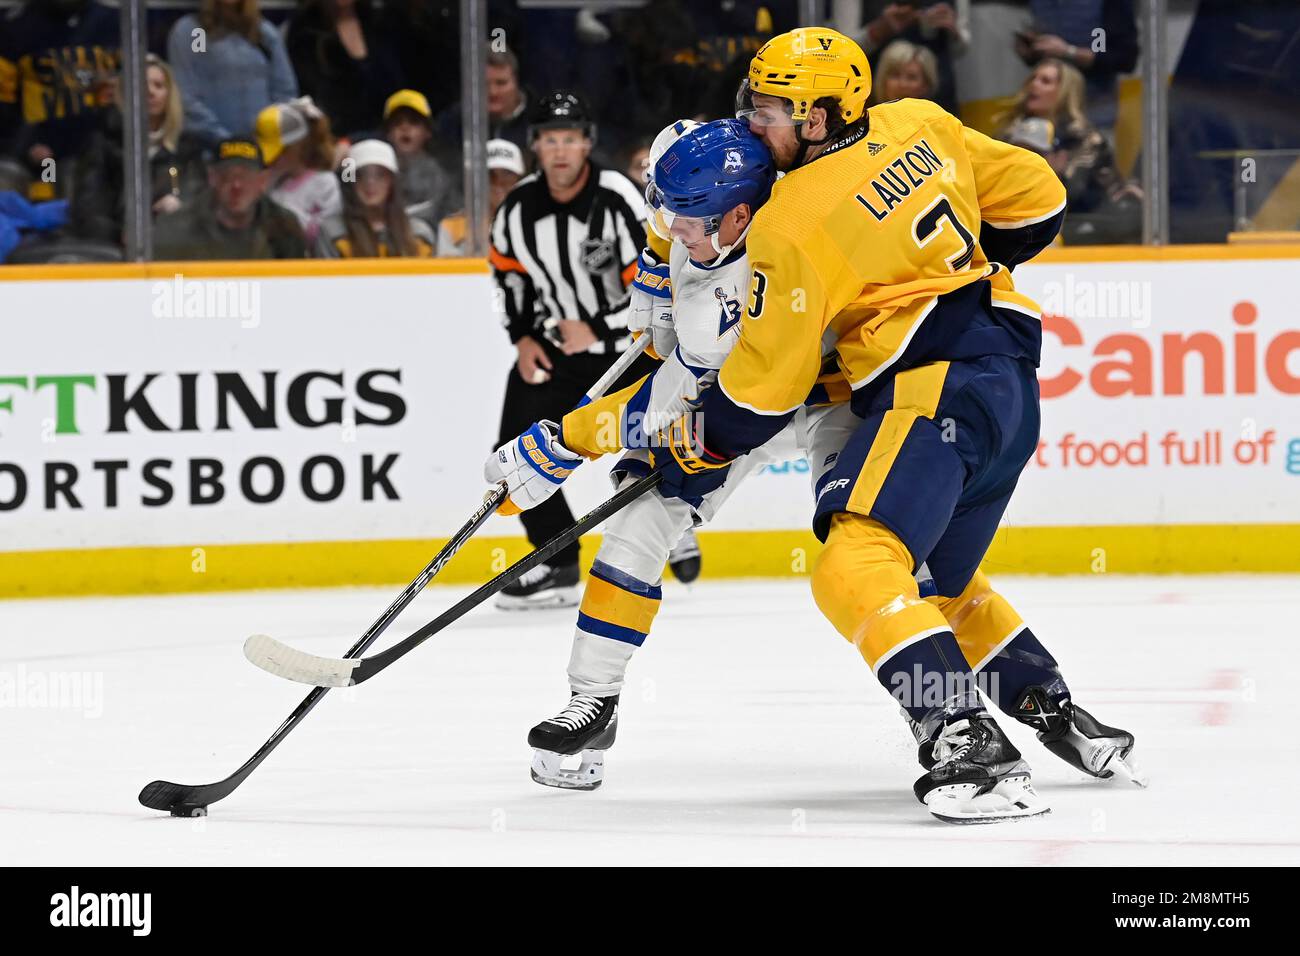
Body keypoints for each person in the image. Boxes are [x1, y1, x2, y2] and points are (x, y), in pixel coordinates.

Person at [649, 27, 1143, 822]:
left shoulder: (790, 219)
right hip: (1010, 388)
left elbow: (763, 393)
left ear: (815, 120)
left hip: (933, 389)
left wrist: (693, 441)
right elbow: (1041, 199)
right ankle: (1050, 704)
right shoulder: (920, 120)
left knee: (853, 569)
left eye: (768, 107)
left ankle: (960, 733)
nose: (750, 121)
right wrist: (943, 274)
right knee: (931, 583)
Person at [490, 118, 855, 789]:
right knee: (637, 525)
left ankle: (953, 710)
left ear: (738, 216)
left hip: (830, 393)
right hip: (738, 383)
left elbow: (669, 397)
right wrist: (654, 289)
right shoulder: (710, 205)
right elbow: (665, 244)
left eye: (684, 217)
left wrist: (562, 444)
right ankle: (592, 702)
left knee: (869, 543)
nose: (667, 223)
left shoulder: (745, 288)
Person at [486, 90, 663, 609]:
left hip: (627, 349)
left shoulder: (618, 199)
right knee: (516, 451)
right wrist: (521, 337)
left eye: (570, 139)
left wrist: (599, 329)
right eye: (549, 140)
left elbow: (654, 286)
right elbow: (508, 279)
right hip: (556, 349)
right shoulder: (516, 209)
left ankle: (663, 530)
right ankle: (556, 560)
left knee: (646, 443)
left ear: (586, 143)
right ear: (534, 146)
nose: (560, 151)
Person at [997, 59, 1141, 244]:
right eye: (1033, 78)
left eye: (1045, 81)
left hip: (1077, 233)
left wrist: (1058, 177)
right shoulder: (1008, 135)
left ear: (1064, 91)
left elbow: (1098, 201)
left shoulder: (1086, 141)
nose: (1034, 84)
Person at [69, 54, 206, 244]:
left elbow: (201, 203)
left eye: (158, 85)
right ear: (125, 93)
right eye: (142, 85)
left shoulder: (187, 148)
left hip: (174, 245)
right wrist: (121, 234)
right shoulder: (102, 143)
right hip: (114, 249)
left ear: (170, 95)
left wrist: (178, 212)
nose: (150, 92)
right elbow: (87, 207)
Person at [0, 0, 120, 201]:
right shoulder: (15, 26)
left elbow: (136, 97)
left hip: (101, 159)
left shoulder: (114, 22)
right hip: (41, 158)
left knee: (97, 217)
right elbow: (3, 105)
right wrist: (25, 145)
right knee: (46, 216)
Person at [166, 0, 299, 147]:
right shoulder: (197, 32)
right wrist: (225, 140)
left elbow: (285, 93)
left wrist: (267, 139)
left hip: (263, 153)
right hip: (210, 152)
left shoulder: (264, 33)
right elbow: (187, 95)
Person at [153, 138, 306, 260]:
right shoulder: (178, 226)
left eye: (246, 177)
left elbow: (297, 288)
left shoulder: (284, 227)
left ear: (263, 181)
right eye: (228, 176)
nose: (237, 186)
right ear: (213, 178)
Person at [285, 0, 399, 140]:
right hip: (333, 137)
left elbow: (395, 84)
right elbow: (311, 96)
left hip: (385, 134)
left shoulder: (377, 22)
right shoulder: (304, 31)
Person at [315, 138, 435, 257]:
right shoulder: (333, 233)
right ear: (351, 183)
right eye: (361, 175)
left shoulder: (419, 234)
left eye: (380, 175)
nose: (370, 182)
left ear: (392, 182)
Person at [255, 97, 342, 247]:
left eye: (277, 152)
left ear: (297, 146)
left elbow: (329, 232)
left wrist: (284, 215)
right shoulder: (270, 180)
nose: (270, 160)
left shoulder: (325, 183)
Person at [381, 89, 454, 240]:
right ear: (388, 133)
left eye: (413, 122)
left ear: (428, 132)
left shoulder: (440, 173)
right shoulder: (376, 169)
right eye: (397, 123)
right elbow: (347, 179)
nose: (405, 128)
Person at [435, 138, 523, 257]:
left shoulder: (534, 226)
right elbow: (448, 274)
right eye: (490, 176)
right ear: (476, 182)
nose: (499, 184)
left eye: (507, 176)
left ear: (520, 181)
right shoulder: (451, 227)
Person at [869, 40, 940, 106]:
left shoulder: (939, 119)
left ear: (926, 85)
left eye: (911, 77)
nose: (902, 84)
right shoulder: (865, 117)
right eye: (895, 75)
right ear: (883, 79)